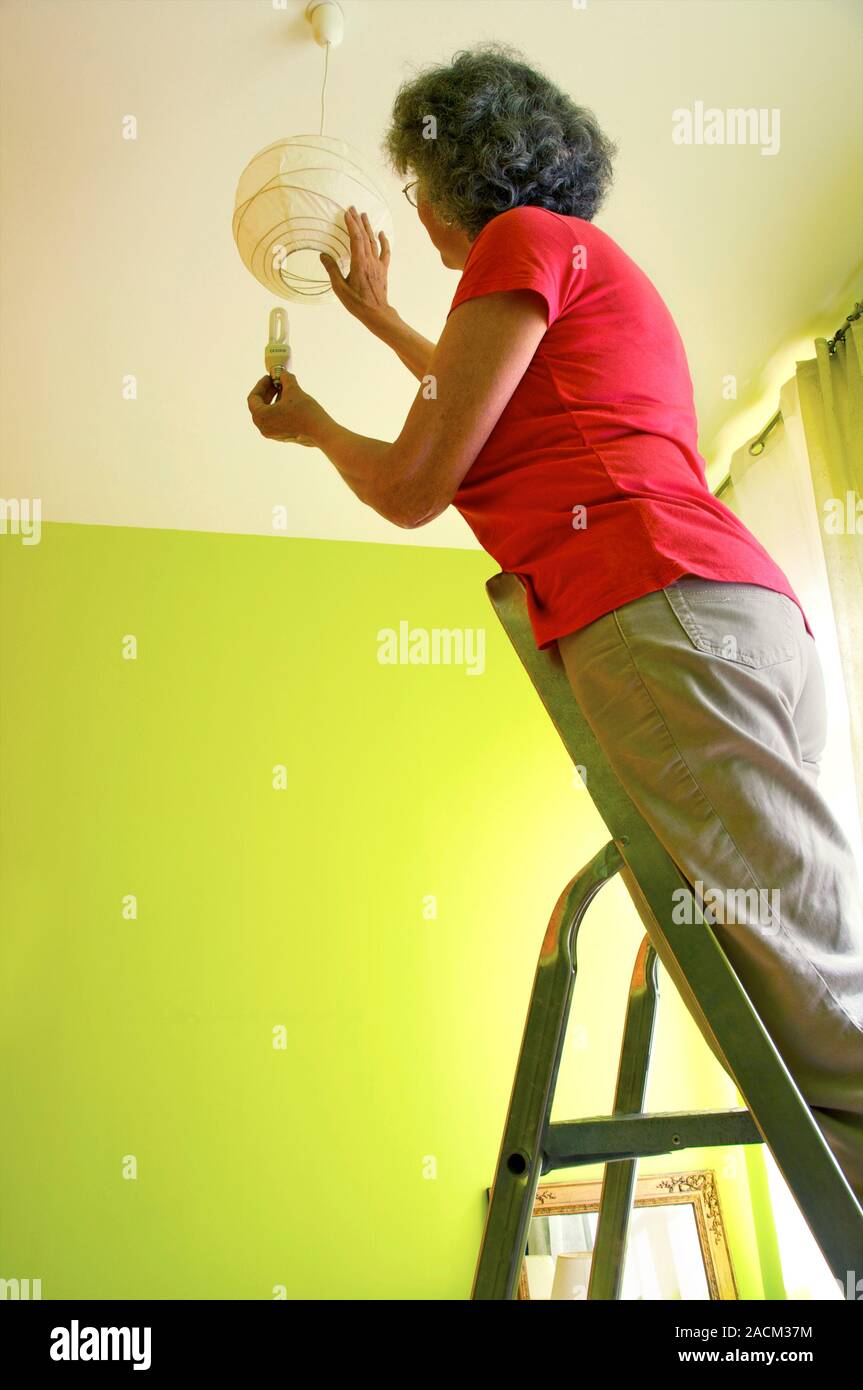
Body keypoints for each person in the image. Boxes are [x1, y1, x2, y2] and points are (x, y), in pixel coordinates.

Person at [247, 43, 863, 1206]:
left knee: (815, 1010)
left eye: (413, 182)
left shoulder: (514, 243)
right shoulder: (572, 263)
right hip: (739, 617)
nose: (414, 210)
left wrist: (319, 429)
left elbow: (419, 481)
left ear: (450, 170)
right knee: (793, 986)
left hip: (659, 615)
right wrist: (381, 319)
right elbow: (491, 408)